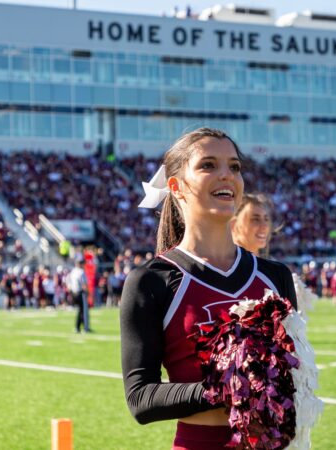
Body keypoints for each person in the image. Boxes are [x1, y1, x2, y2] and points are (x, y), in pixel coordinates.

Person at [119, 128, 297, 450]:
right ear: (176, 186)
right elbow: (140, 398)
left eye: (234, 166)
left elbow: (292, 378)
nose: (227, 175)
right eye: (208, 165)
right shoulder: (152, 280)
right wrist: (226, 386)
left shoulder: (276, 276)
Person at [67, 259, 90, 333]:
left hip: (74, 293)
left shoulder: (73, 271)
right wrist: (88, 292)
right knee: (84, 311)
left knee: (80, 310)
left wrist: (71, 291)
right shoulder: (81, 271)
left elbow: (68, 282)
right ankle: (85, 328)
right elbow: (84, 284)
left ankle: (77, 327)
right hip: (80, 293)